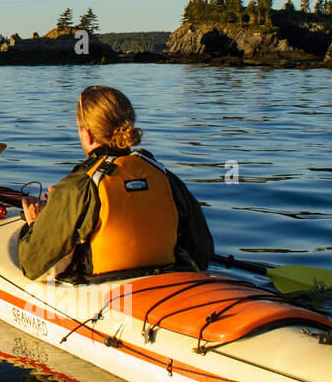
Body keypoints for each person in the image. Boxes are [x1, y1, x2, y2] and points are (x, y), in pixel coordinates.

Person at [17, 85, 213, 281]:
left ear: (87, 134)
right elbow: (202, 255)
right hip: (166, 284)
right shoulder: (165, 177)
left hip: (104, 291)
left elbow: (32, 264)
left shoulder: (78, 185)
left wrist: (35, 223)